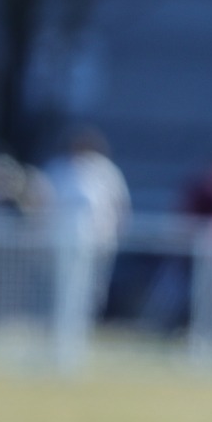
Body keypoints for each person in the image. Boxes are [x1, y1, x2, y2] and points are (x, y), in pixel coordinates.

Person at [41, 128, 131, 312]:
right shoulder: (59, 168)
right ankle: (64, 318)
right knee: (64, 284)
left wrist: (117, 232)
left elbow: (120, 204)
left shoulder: (105, 171)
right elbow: (44, 201)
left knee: (93, 287)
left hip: (99, 240)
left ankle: (88, 317)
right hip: (62, 239)